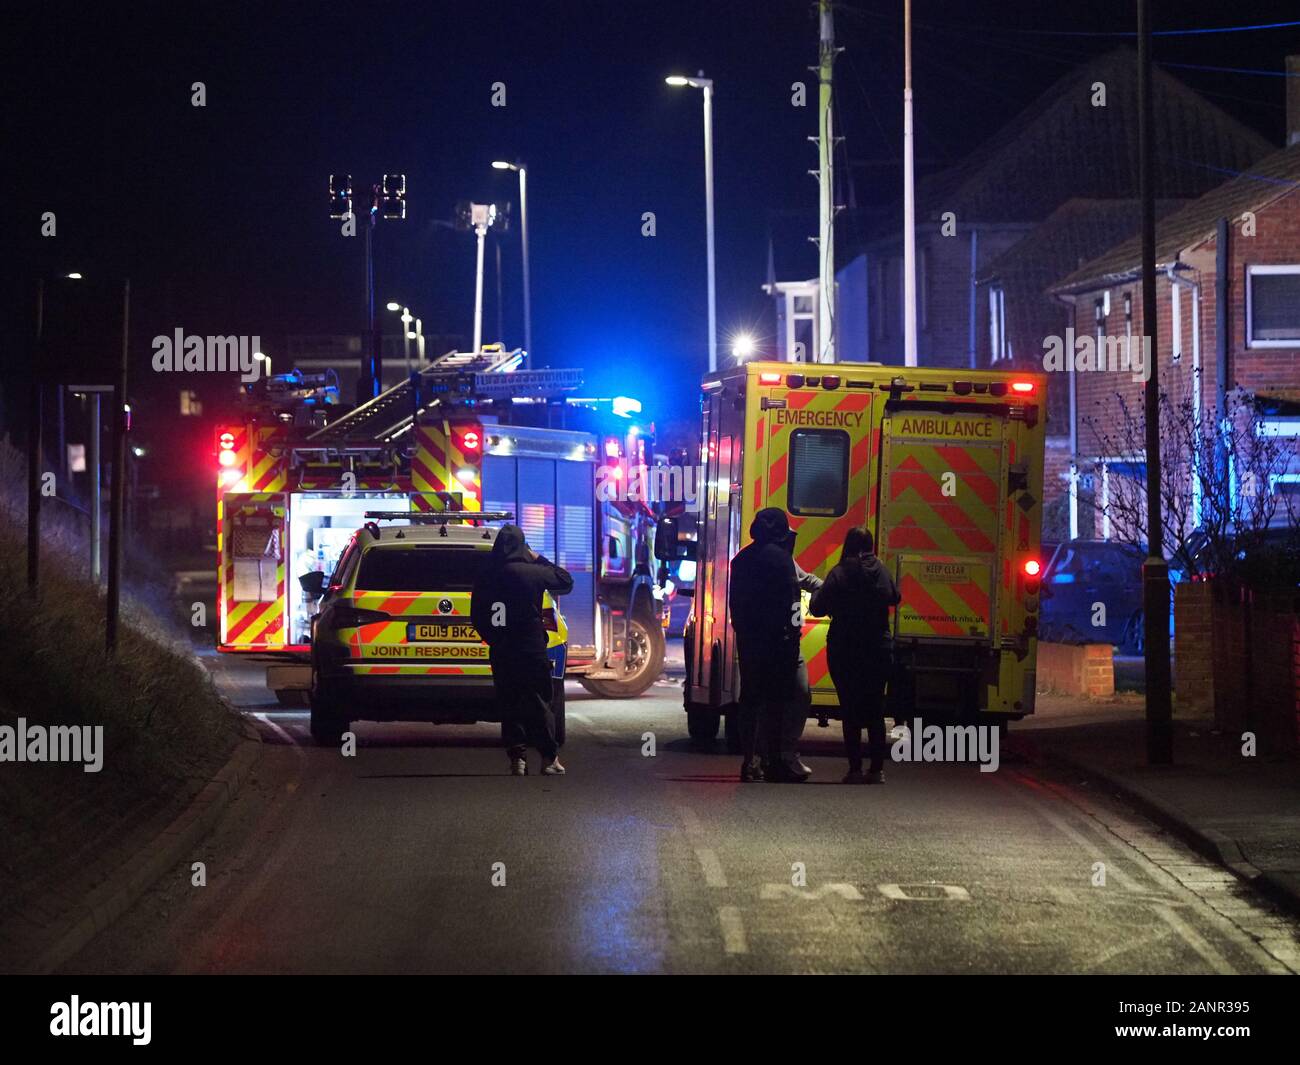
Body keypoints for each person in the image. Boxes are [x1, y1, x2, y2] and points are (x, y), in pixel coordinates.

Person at [470, 524, 574, 776]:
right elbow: (565, 581)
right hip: (532, 650)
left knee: (509, 702)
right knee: (539, 702)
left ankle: (517, 759)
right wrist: (538, 557)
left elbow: (477, 616)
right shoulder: (533, 573)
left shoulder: (486, 576)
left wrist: (493, 639)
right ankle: (549, 759)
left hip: (503, 651)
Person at [729, 507, 823, 783]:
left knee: (751, 700)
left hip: (750, 642)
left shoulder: (741, 560)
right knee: (785, 699)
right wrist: (793, 634)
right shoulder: (782, 561)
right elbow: (792, 601)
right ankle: (780, 759)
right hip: (779, 644)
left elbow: (738, 606)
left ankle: (751, 761)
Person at [809, 527, 900, 784]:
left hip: (845, 648)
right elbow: (895, 596)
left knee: (849, 706)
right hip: (878, 648)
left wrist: (819, 591)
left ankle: (855, 769)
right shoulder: (881, 570)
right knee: (875, 708)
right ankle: (877, 770)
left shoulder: (839, 572)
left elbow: (817, 608)